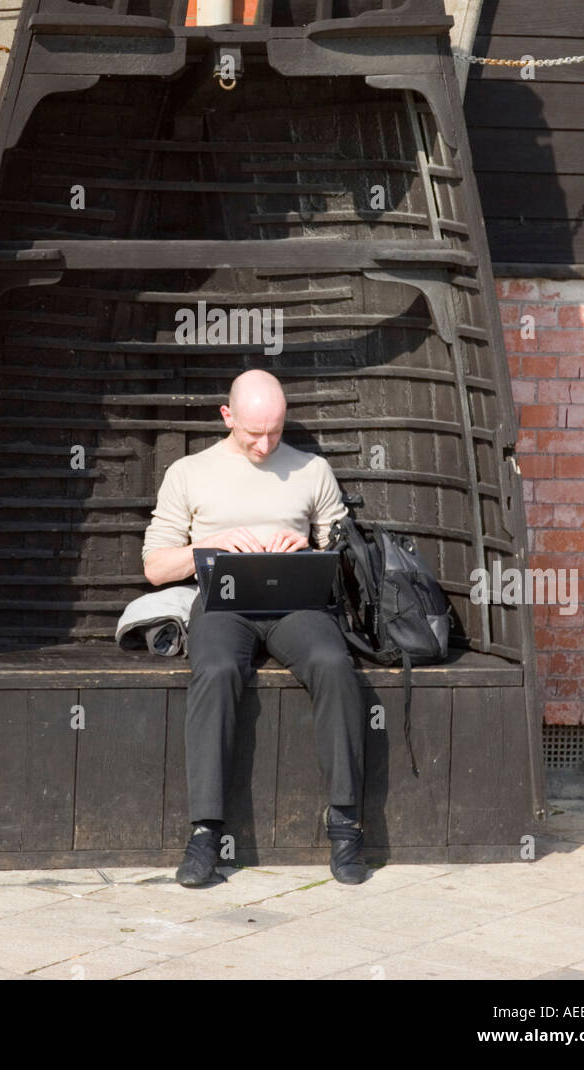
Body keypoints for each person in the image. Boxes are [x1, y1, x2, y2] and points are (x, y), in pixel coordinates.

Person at [142, 368, 367, 887]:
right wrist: (211, 550)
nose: (265, 444)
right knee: (217, 669)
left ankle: (346, 823)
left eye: (275, 431)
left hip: (296, 603)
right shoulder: (189, 472)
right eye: (252, 433)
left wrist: (312, 552)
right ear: (227, 416)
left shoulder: (312, 469)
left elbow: (347, 557)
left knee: (334, 664)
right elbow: (154, 566)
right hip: (223, 603)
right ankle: (204, 833)